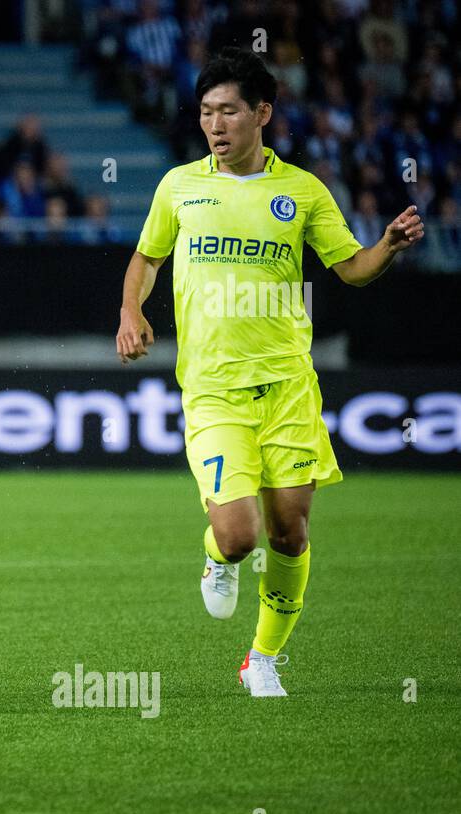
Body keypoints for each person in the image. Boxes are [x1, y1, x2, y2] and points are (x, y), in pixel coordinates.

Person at [116, 48, 423, 698]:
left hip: (288, 388)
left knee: (291, 529)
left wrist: (388, 248)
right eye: (205, 113)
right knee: (238, 535)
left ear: (262, 113)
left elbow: (351, 269)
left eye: (228, 110)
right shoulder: (179, 187)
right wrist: (129, 313)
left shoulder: (303, 191)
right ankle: (215, 558)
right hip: (214, 391)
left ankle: (262, 658)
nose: (215, 125)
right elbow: (146, 259)